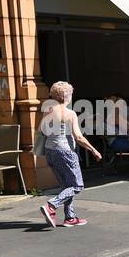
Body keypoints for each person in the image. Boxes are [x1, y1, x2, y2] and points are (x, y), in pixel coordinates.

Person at [38, 81, 100, 228]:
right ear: (67, 96)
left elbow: (42, 131)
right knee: (77, 185)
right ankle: (51, 206)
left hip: (50, 150)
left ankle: (70, 217)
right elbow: (78, 137)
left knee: (67, 185)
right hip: (65, 151)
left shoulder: (48, 110)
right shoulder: (70, 114)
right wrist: (93, 150)